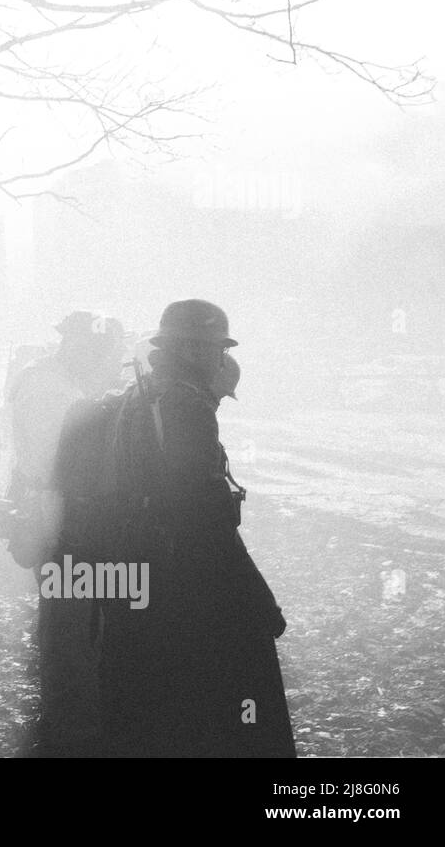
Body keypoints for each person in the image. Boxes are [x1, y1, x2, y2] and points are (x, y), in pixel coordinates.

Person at [90, 299, 293, 757]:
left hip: (138, 570)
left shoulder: (143, 395)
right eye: (218, 350)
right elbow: (203, 517)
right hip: (180, 581)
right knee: (214, 707)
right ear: (199, 351)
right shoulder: (184, 406)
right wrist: (256, 598)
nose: (221, 360)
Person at [0, 310, 123, 756]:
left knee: (75, 620)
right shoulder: (47, 385)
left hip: (63, 510)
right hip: (55, 512)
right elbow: (57, 454)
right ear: (71, 342)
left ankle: (72, 717)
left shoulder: (61, 380)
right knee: (68, 622)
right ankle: (68, 727)